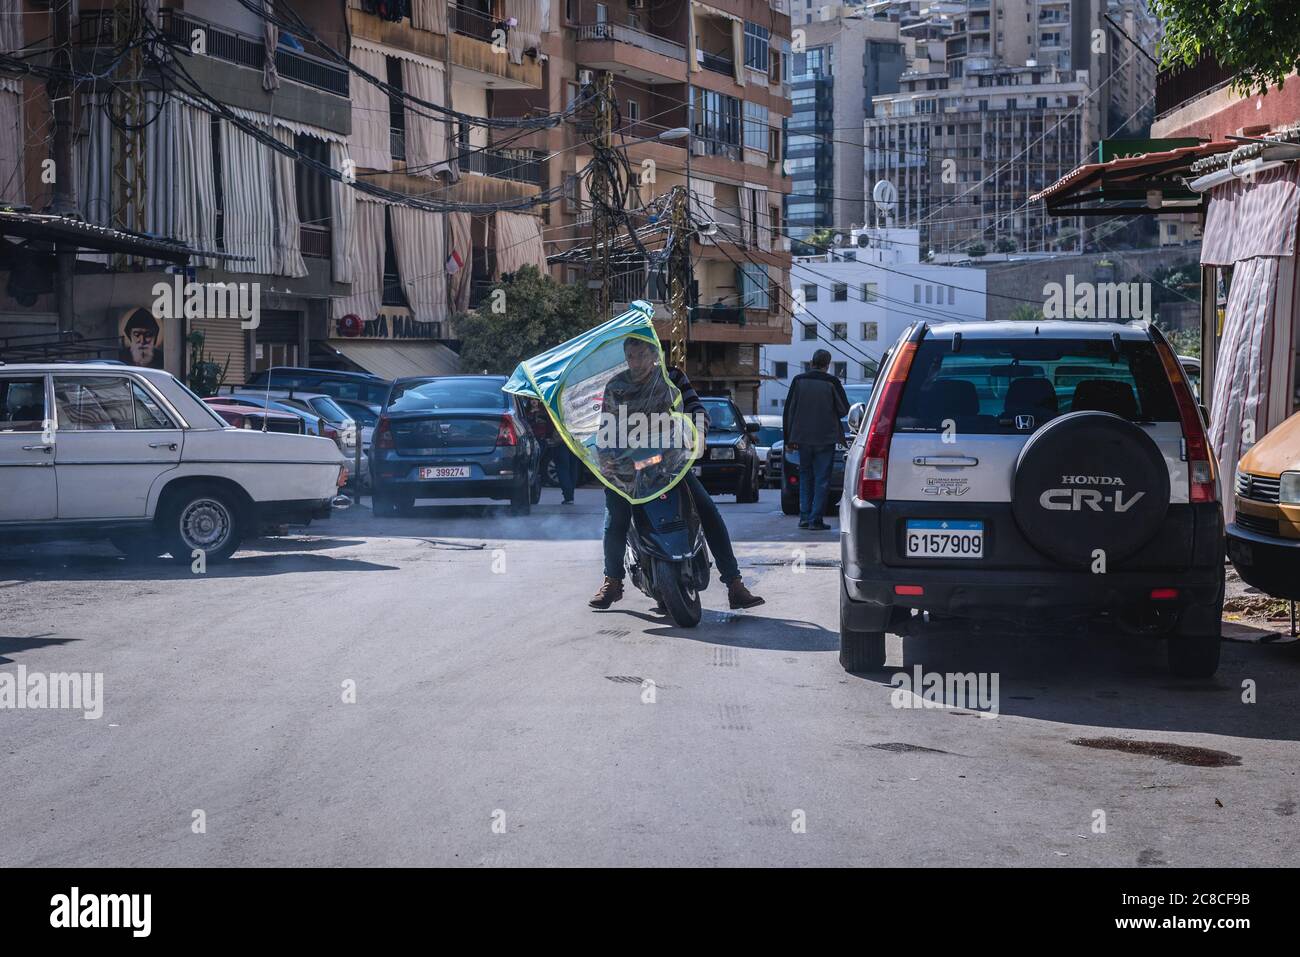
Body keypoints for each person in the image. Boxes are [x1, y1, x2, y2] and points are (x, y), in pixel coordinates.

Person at [589, 338, 764, 611]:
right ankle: (612, 581)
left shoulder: (672, 378)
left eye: (640, 356)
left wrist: (700, 434)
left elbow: (696, 410)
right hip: (626, 470)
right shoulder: (617, 385)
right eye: (630, 357)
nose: (635, 362)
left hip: (668, 463)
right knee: (615, 520)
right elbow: (605, 427)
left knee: (707, 511)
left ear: (653, 355)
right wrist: (606, 460)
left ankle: (735, 584)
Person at [783, 348, 849, 531]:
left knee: (805, 477)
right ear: (827, 365)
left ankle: (804, 518)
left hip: (802, 439)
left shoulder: (798, 381)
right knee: (822, 480)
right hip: (825, 439)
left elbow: (788, 410)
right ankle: (815, 519)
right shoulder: (832, 382)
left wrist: (788, 439)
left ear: (812, 363)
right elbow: (844, 409)